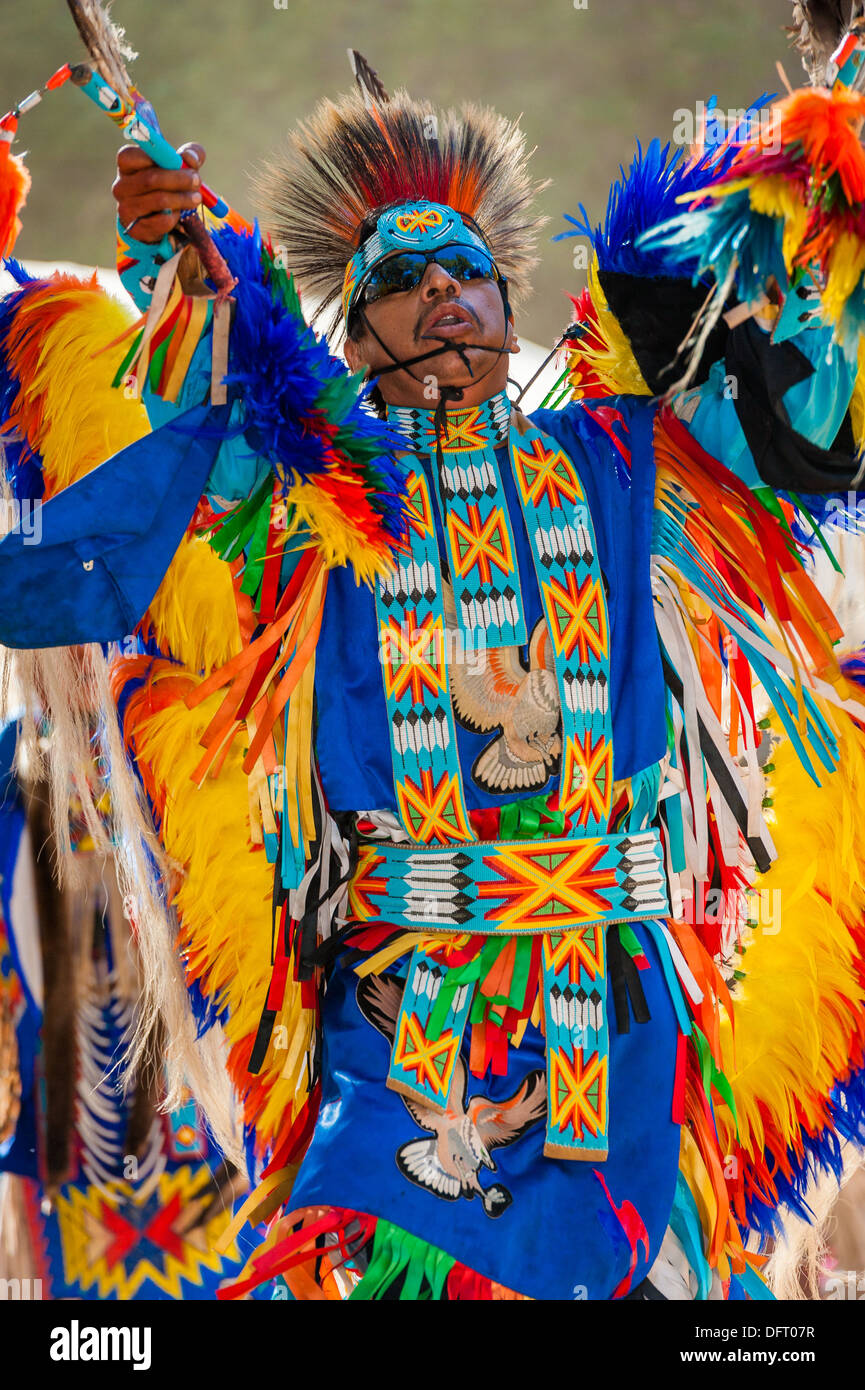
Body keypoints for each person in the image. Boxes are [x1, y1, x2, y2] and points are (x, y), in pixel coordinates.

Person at [2, 16, 865, 1301]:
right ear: (353, 340)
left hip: (625, 1020)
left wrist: (830, 171)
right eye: (404, 281)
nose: (446, 295)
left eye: (468, 273)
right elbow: (215, 416)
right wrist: (172, 252)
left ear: (512, 303)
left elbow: (799, 397)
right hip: (402, 1021)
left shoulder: (628, 461)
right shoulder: (317, 494)